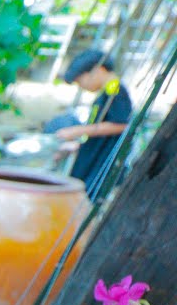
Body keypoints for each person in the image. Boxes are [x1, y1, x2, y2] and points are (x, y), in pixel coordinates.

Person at [55, 48, 133, 197]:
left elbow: (122, 124)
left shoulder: (114, 88)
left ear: (98, 70)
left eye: (80, 80)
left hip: (101, 160)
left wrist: (77, 131)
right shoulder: (106, 91)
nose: (81, 85)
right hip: (93, 155)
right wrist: (80, 145)